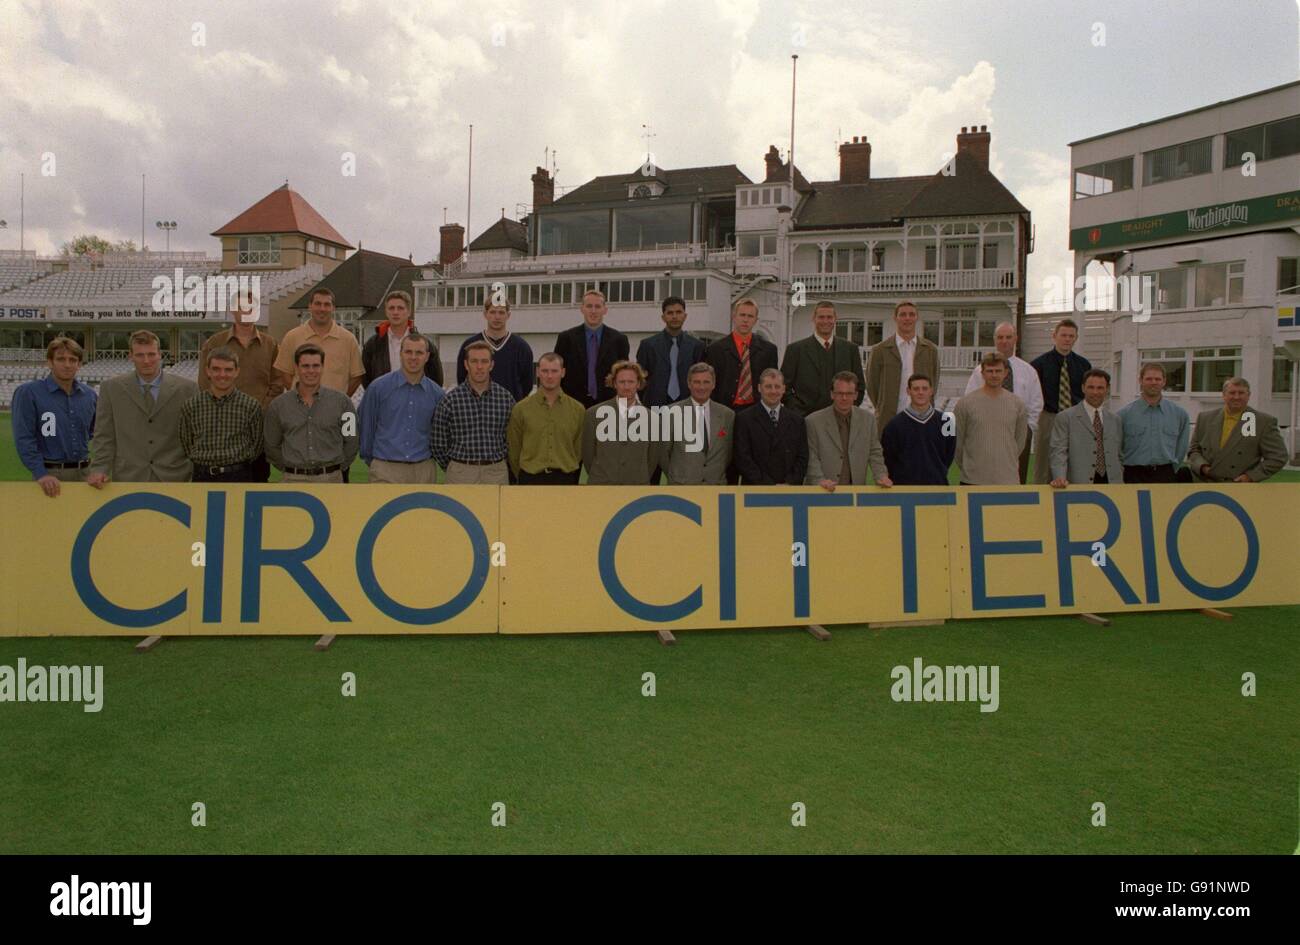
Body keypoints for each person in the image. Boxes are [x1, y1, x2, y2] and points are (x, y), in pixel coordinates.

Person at [87, 330, 199, 486]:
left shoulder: (187, 389)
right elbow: (104, 434)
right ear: (130, 356)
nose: (146, 361)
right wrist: (100, 468)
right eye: (140, 355)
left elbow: (195, 436)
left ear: (160, 354)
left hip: (175, 476)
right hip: (129, 476)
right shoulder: (111, 389)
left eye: (151, 354)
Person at [199, 289, 282, 481]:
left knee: (258, 483)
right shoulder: (215, 343)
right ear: (232, 309)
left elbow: (277, 384)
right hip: (223, 430)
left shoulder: (271, 345)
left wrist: (258, 411)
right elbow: (205, 382)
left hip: (258, 431)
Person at [11, 335, 97, 497]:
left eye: (72, 360)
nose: (67, 364)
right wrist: (40, 473)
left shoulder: (90, 395)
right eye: (61, 359)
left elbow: (97, 433)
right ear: (49, 362)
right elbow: (24, 438)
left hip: (85, 474)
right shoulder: (29, 393)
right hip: (50, 476)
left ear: (79, 364)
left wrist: (98, 468)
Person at [705, 298, 779, 483]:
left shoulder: (768, 350)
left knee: (755, 463)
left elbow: (771, 384)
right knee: (727, 463)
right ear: (734, 317)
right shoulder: (715, 349)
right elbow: (710, 386)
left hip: (755, 414)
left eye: (750, 316)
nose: (745, 320)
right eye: (742, 315)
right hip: (726, 413)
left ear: (756, 320)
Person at [264, 343, 358, 483]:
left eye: (316, 366)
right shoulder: (278, 406)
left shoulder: (343, 403)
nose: (311, 371)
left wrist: (337, 468)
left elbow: (351, 440)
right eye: (305, 366)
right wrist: (290, 468)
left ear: (322, 367)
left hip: (331, 479)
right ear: (296, 368)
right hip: (293, 479)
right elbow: (271, 445)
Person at [358, 332, 445, 484]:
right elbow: (365, 427)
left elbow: (440, 434)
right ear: (400, 354)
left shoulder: (437, 394)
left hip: (423, 471)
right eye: (408, 352)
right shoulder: (378, 388)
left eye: (419, 352)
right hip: (385, 469)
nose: (413, 357)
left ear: (427, 356)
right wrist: (373, 461)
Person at [963, 321, 1043, 483]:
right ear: (995, 340)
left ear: (1016, 339)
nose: (1004, 341)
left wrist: (1026, 429)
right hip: (987, 434)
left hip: (1018, 433)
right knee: (986, 477)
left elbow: (1036, 404)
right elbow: (969, 401)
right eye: (1000, 337)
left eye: (1008, 337)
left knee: (1016, 478)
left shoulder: (1028, 371)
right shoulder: (980, 371)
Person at [432, 340, 514, 484]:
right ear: (466, 364)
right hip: (461, 472)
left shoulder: (505, 398)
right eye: (474, 361)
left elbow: (512, 438)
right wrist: (455, 467)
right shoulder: (450, 400)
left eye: (484, 361)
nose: (479, 367)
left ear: (491, 365)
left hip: (496, 472)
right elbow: (438, 443)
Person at [179, 347, 265, 482]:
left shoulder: (250, 405)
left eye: (228, 370)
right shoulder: (192, 405)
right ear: (208, 371)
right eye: (216, 369)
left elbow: (257, 445)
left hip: (239, 475)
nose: (222, 374)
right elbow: (186, 443)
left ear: (237, 371)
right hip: (202, 475)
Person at [1187, 377, 1289, 483]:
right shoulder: (1205, 418)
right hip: (1204, 486)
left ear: (1248, 395)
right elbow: (1194, 450)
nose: (1236, 397)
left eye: (1241, 393)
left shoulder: (1263, 422)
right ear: (1224, 395)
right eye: (1232, 393)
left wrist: (1251, 476)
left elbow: (1278, 457)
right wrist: (1202, 467)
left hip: (1239, 489)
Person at [506, 352, 584, 484]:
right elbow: (514, 449)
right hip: (530, 478)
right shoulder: (521, 409)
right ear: (537, 372)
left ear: (563, 372)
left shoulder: (577, 409)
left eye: (554, 371)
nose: (549, 376)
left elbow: (579, 448)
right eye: (545, 371)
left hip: (565, 479)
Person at [804, 371, 890, 490]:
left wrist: (881, 476)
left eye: (849, 393)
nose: (844, 398)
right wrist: (820, 481)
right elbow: (811, 457)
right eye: (839, 393)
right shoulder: (813, 421)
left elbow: (875, 452)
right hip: (822, 492)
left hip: (855, 493)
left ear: (855, 395)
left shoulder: (868, 420)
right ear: (832, 394)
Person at [1030, 317, 1091, 485]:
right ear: (1054, 336)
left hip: (1075, 418)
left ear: (1076, 338)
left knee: (1076, 460)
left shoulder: (1084, 365)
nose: (1067, 339)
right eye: (1063, 335)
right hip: (1048, 417)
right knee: (1044, 462)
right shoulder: (1038, 365)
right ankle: (1041, 499)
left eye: (1071, 336)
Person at [953, 352, 1028, 486]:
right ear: (982, 373)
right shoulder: (965, 404)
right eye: (990, 371)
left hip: (1007, 479)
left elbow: (1020, 442)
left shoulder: (1018, 405)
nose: (994, 375)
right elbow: (957, 442)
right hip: (973, 479)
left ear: (1006, 373)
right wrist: (969, 467)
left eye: (998, 371)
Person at [273, 287, 365, 395]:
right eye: (317, 304)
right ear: (310, 306)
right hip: (301, 408)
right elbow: (285, 372)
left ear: (333, 308)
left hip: (333, 408)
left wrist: (340, 400)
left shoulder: (348, 339)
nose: (322, 309)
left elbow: (357, 376)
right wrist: (300, 397)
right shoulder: (292, 337)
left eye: (327, 304)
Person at [781, 300, 865, 415]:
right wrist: (797, 412)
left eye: (829, 317)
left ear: (835, 319)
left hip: (841, 418)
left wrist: (847, 410)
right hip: (805, 419)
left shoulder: (850, 349)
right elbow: (783, 387)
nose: (825, 321)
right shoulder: (795, 350)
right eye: (821, 317)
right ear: (814, 319)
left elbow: (859, 386)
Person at [865, 300, 940, 427]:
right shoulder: (880, 350)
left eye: (911, 314)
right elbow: (872, 385)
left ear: (917, 317)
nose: (907, 318)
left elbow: (934, 381)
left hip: (922, 418)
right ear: (895, 318)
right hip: (889, 419)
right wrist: (884, 405)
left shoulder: (930, 350)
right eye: (903, 314)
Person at [581, 360, 657, 485]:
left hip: (636, 486)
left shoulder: (652, 418)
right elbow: (588, 454)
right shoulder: (593, 414)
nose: (626, 386)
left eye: (631, 382)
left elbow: (653, 457)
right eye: (622, 382)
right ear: (614, 383)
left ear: (638, 383)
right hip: (602, 485)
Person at [659, 363, 734, 485]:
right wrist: (677, 475)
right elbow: (663, 454)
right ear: (689, 384)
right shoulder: (671, 413)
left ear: (713, 384)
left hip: (715, 486)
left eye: (706, 382)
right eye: (697, 382)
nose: (701, 387)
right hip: (682, 485)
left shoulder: (727, 415)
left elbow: (728, 453)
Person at [553, 289, 629, 409]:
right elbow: (557, 373)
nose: (593, 311)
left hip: (608, 405)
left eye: (597, 306)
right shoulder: (566, 339)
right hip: (573, 404)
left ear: (605, 310)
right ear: (582, 309)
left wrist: (624, 406)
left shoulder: (619, 340)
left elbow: (625, 376)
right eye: (589, 306)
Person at [1117, 362, 1190, 484]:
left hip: (1165, 475)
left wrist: (1172, 470)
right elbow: (1117, 450)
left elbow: (1181, 448)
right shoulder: (1123, 415)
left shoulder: (1179, 414)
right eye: (1149, 379)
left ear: (1164, 381)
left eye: (1157, 379)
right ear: (1140, 380)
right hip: (1133, 475)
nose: (1153, 382)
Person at [733, 368, 808, 485]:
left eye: (777, 387)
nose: (773, 391)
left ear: (784, 389)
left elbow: (802, 458)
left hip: (788, 491)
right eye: (768, 386)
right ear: (759, 388)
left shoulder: (797, 421)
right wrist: (768, 485)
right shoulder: (744, 419)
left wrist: (790, 482)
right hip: (755, 491)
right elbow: (742, 458)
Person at [1048, 369, 1123, 487]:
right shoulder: (1066, 417)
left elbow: (1119, 453)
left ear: (1107, 389)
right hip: (1079, 483)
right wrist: (1059, 477)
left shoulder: (1115, 419)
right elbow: (1058, 451)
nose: (1095, 392)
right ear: (1083, 388)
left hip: (1112, 484)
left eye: (1100, 388)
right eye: (1091, 387)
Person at [880, 373, 955, 486]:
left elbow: (949, 455)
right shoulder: (894, 425)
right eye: (916, 389)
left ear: (931, 391)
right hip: (906, 489)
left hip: (938, 487)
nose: (920, 392)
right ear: (908, 391)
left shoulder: (947, 421)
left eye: (925, 388)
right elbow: (888, 459)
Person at [456, 294, 534, 402]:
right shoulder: (469, 345)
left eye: (501, 312)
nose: (497, 317)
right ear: (485, 314)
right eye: (492, 312)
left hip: (511, 412)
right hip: (476, 411)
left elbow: (527, 385)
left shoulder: (522, 347)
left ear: (508, 315)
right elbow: (461, 379)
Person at [362, 289, 443, 388]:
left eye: (400, 308)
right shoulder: (372, 345)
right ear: (386, 312)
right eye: (391, 308)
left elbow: (437, 380)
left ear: (409, 312)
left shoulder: (426, 345)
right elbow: (366, 380)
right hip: (384, 400)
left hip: (416, 400)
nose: (395, 312)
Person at [636, 295, 706, 407]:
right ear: (663, 317)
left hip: (688, 405)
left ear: (685, 316)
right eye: (670, 313)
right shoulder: (648, 345)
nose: (674, 316)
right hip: (655, 406)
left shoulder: (697, 346)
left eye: (679, 312)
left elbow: (701, 377)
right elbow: (640, 379)